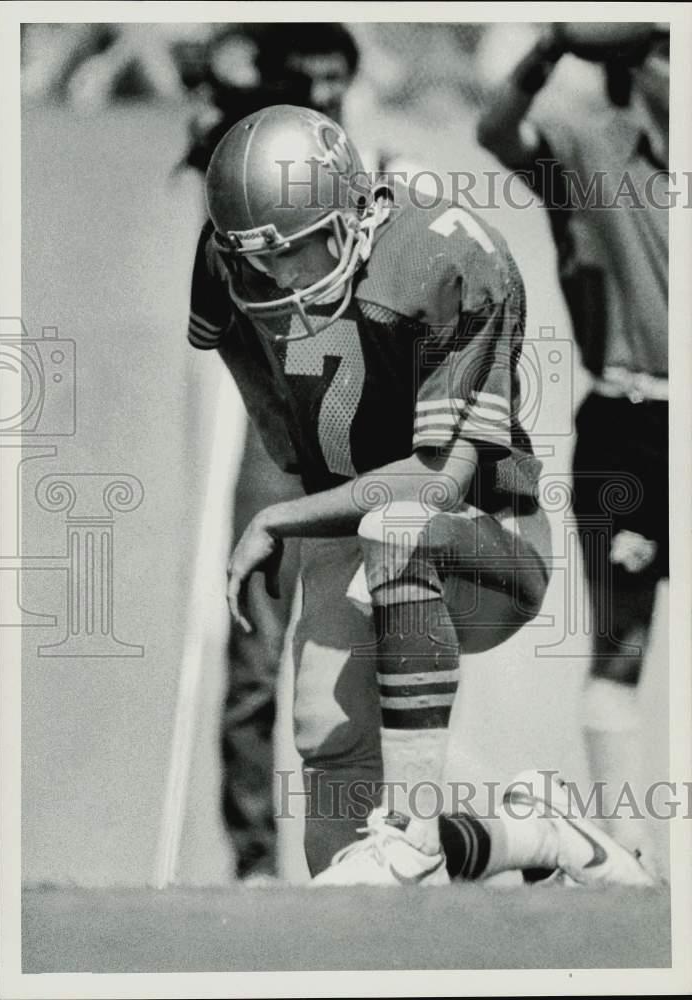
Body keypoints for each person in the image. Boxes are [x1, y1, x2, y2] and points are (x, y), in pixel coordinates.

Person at [187, 103, 654, 888]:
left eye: (295, 254)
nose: (278, 279)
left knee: (400, 529)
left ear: (356, 215)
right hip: (355, 509)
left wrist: (283, 515)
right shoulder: (236, 257)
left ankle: (412, 826)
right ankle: (520, 838)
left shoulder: (450, 258)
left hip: (485, 543)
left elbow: (439, 480)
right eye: (257, 262)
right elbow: (244, 357)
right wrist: (303, 486)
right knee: (324, 733)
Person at [477, 23, 669, 856]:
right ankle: (628, 860)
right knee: (620, 652)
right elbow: (496, 132)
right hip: (635, 420)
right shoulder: (593, 147)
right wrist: (555, 45)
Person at [185, 24, 362, 881]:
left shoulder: (372, 167)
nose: (328, 91)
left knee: (376, 639)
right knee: (256, 643)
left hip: (363, 426)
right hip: (280, 438)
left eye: (340, 76)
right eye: (312, 76)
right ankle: (254, 858)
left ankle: (366, 850)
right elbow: (217, 320)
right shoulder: (247, 163)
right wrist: (271, 420)